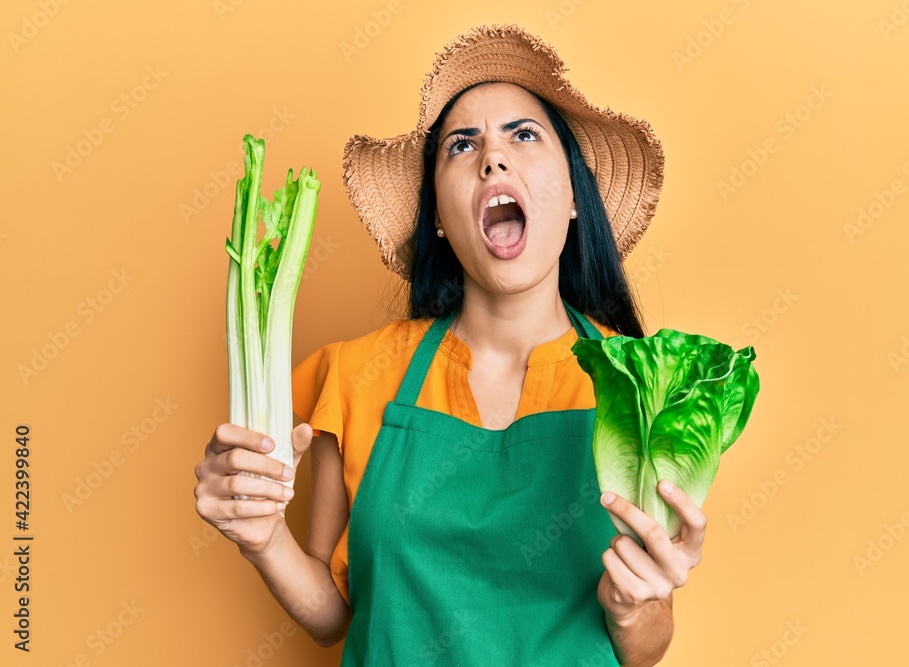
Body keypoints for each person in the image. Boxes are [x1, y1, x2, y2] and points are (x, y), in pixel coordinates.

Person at [194, 23, 707, 666]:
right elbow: (331, 615)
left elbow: (646, 647)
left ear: (575, 195)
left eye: (524, 134)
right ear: (438, 213)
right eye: (461, 146)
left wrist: (635, 606)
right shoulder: (358, 374)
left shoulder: (635, 386)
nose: (493, 156)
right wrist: (262, 538)